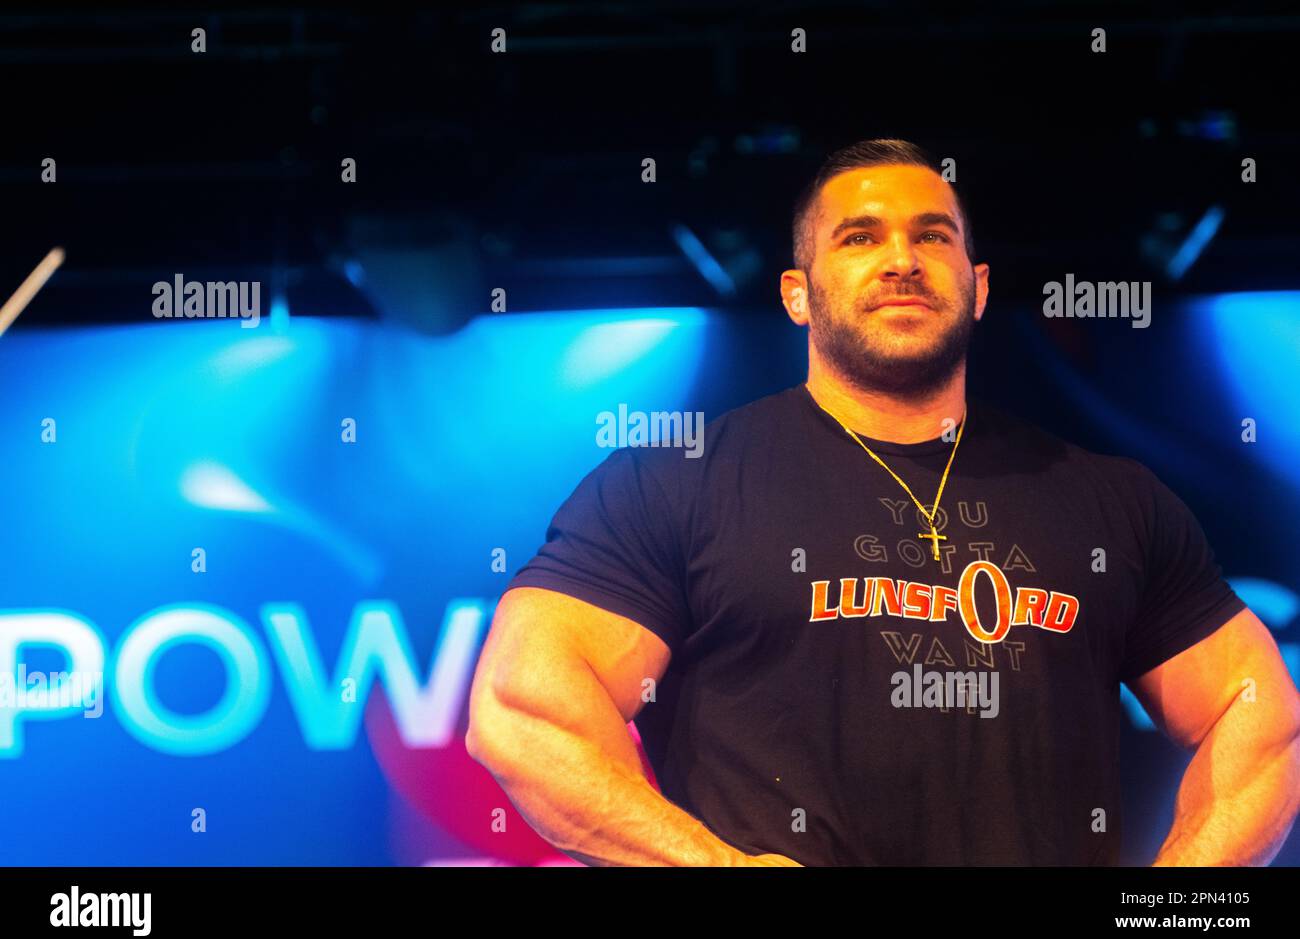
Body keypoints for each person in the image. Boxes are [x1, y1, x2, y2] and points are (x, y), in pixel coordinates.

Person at [465, 138, 1300, 866]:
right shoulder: (674, 482)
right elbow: (521, 709)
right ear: (797, 293)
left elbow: (1259, 716)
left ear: (976, 288)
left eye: (930, 236)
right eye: (860, 237)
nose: (900, 258)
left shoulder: (1111, 500)